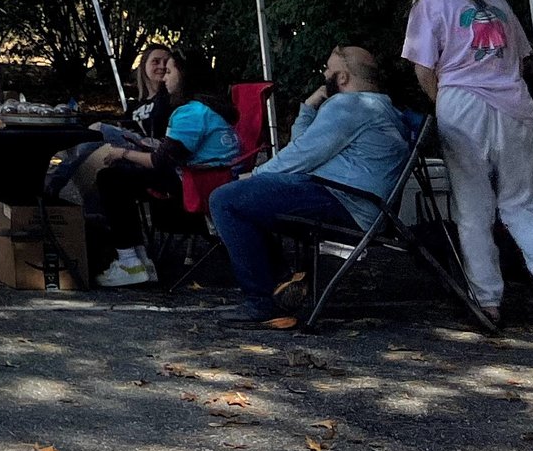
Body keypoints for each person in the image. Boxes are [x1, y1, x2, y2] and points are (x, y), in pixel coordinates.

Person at [401, 0, 533, 320]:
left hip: (462, 105)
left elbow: (423, 69)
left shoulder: (429, 1)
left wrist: (442, 101)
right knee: (522, 201)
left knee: (472, 208)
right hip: (515, 105)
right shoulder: (496, 1)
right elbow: (522, 60)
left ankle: (487, 301)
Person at [207, 45, 411, 323]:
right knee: (245, 198)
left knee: (225, 199)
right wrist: (308, 107)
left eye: (328, 69)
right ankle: (282, 287)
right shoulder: (383, 109)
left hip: (343, 202)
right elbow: (304, 146)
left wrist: (255, 175)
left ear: (342, 77)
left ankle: (263, 301)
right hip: (362, 207)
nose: (324, 75)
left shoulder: (349, 106)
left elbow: (301, 156)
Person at [83, 44, 242, 287]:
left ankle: (130, 261)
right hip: (215, 183)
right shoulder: (212, 108)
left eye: (168, 72)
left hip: (196, 191)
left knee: (110, 178)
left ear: (184, 75)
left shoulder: (189, 113)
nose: (164, 78)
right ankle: (138, 260)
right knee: (123, 176)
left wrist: (123, 153)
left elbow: (160, 161)